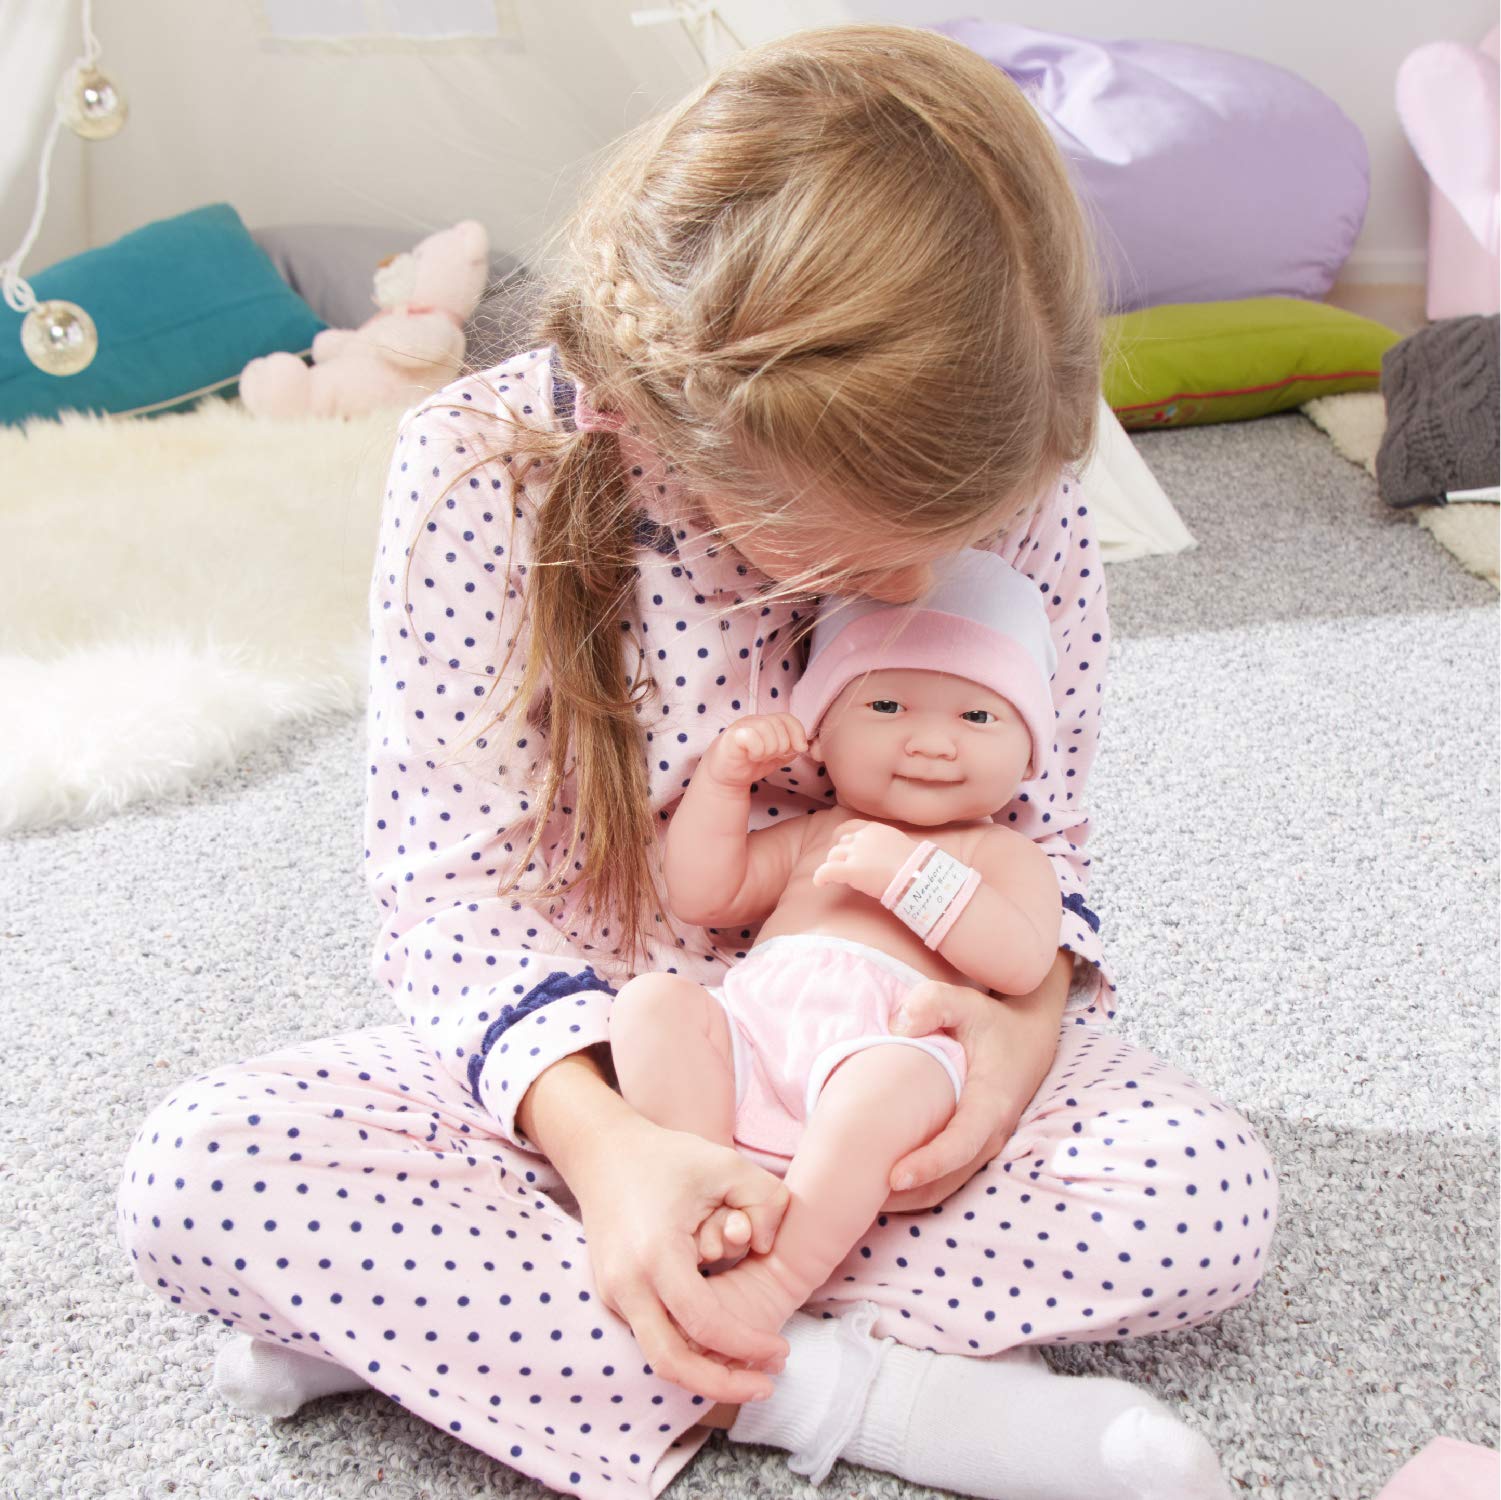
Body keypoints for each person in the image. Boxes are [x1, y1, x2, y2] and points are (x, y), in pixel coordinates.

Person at [115, 23, 1277, 1500]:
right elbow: (449, 900)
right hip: (592, 1070)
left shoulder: (999, 471)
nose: (919, 586)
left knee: (1198, 1201)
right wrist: (613, 1163)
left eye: (951, 535)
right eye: (849, 542)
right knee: (203, 1173)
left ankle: (470, 1332)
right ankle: (852, 1396)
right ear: (683, 423)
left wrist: (1011, 1050)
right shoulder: (483, 471)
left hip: (890, 1077)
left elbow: (1040, 842)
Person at [609, 549, 1067, 1342]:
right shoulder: (818, 833)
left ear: (1028, 757)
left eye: (976, 717)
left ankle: (778, 1277)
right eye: (887, 706)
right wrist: (721, 788)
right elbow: (703, 897)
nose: (929, 742)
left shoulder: (1003, 855)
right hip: (755, 1030)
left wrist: (913, 879)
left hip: (888, 1043)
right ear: (820, 738)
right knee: (652, 1005)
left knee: (885, 1087)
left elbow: (1023, 963)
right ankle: (704, 1180)